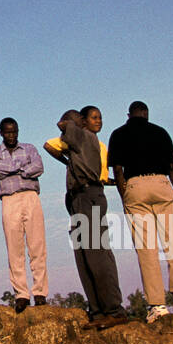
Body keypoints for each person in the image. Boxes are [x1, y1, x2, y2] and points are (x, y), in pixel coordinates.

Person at [107, 102, 173, 322]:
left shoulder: (118, 134)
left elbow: (117, 170)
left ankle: (157, 304)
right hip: (162, 184)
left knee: (147, 249)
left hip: (135, 186)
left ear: (129, 115)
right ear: (146, 114)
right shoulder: (160, 132)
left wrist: (124, 194)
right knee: (171, 243)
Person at [50, 108, 126, 328]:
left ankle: (114, 309)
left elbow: (62, 125)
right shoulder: (81, 140)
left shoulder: (84, 135)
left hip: (89, 196)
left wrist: (74, 122)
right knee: (84, 257)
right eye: (95, 117)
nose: (99, 121)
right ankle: (98, 311)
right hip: (79, 198)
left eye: (100, 117)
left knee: (97, 254)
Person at [0, 117, 47, 313]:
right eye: (7, 132)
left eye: (14, 132)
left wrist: (13, 169)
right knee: (14, 248)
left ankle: (40, 292)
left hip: (30, 196)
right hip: (9, 199)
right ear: (1, 133)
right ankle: (21, 294)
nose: (11, 135)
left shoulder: (29, 148)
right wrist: (24, 168)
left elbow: (38, 167)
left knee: (37, 245)